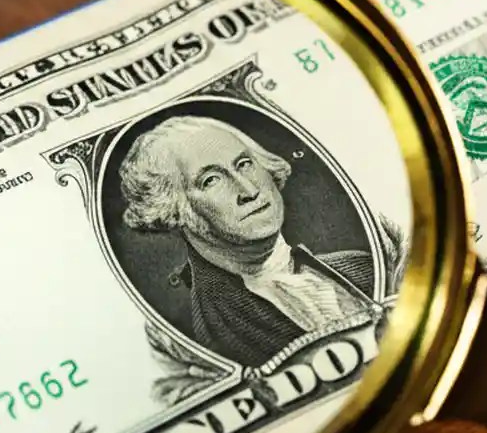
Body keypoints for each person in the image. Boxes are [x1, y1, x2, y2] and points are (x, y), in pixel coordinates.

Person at [118, 114, 374, 367]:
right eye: (211, 180)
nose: (249, 191)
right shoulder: (207, 340)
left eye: (244, 164)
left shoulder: (363, 267)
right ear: (173, 210)